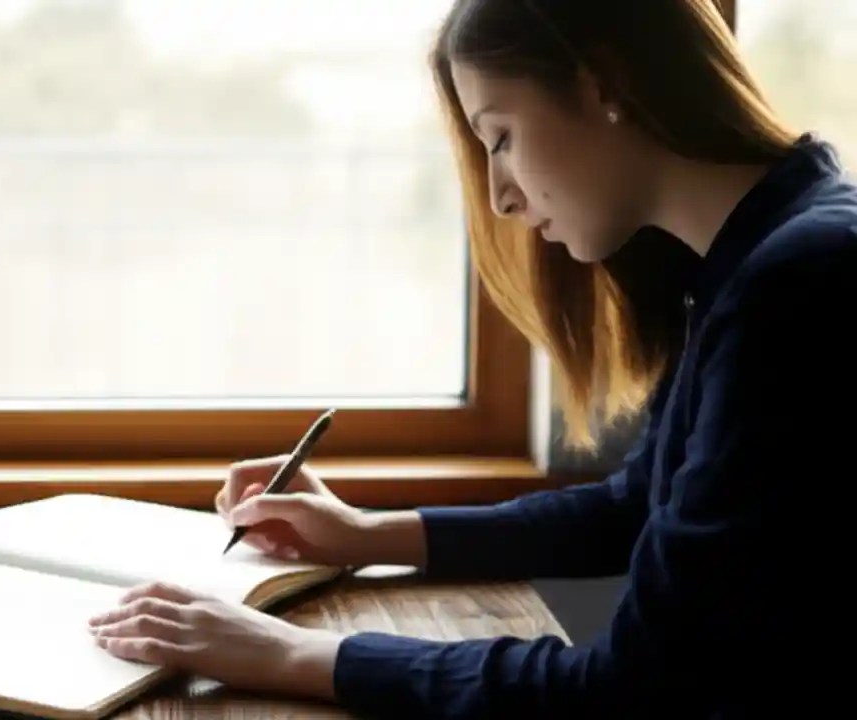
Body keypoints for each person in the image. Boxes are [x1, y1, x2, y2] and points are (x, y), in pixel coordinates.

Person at [87, 0, 857, 716]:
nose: (500, 199)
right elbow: (635, 507)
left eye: (502, 137)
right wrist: (367, 534)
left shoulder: (799, 283)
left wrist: (291, 653)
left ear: (604, 85)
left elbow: (634, 684)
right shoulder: (755, 259)